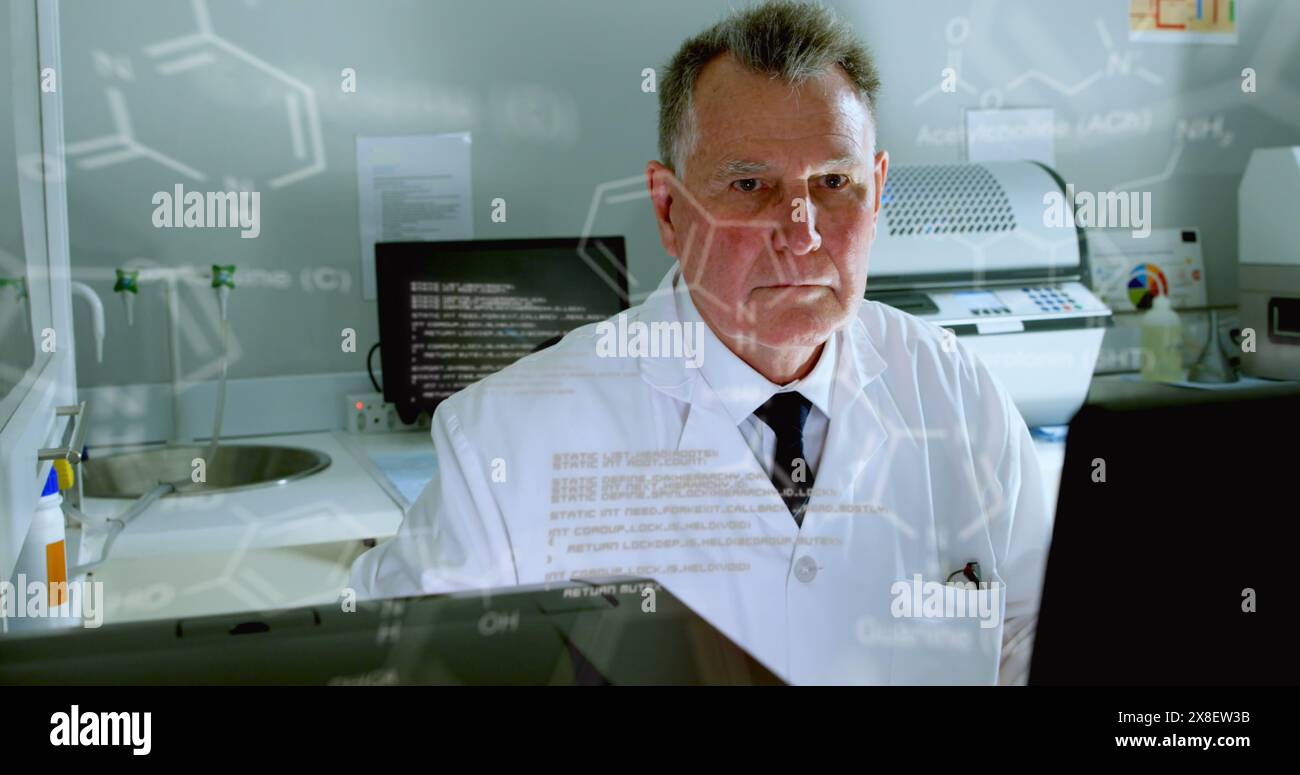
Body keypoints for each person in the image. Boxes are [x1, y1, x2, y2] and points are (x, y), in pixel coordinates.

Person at [350, 0, 1051, 685]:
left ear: (878, 190)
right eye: (750, 184)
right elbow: (392, 660)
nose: (801, 232)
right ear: (669, 209)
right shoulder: (508, 440)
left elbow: (1032, 635)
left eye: (835, 182)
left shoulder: (960, 396)